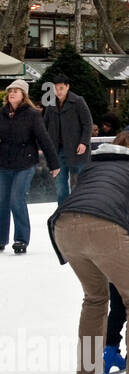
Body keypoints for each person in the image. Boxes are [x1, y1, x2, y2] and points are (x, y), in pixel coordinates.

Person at [48, 132, 129, 374]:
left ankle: (89, 373)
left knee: (95, 298)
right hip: (106, 228)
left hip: (64, 227)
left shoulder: (91, 166)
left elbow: (84, 199)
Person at [0, 78, 60, 254]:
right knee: (2, 201)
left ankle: (21, 239)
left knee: (16, 200)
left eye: (16, 91)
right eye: (10, 91)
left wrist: (54, 163)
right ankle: (1, 239)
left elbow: (44, 139)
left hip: (25, 163)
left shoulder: (32, 114)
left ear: (23, 95)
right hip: (4, 163)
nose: (12, 93)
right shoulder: (2, 113)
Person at [42, 72, 93, 205]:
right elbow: (44, 126)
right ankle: (63, 212)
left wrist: (83, 142)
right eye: (56, 88)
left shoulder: (78, 101)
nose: (58, 91)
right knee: (60, 186)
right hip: (57, 151)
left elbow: (87, 123)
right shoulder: (51, 104)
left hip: (77, 150)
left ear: (67, 87)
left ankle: (82, 208)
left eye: (61, 88)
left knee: (80, 184)